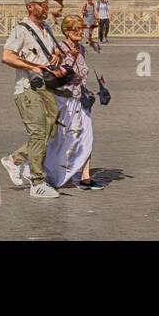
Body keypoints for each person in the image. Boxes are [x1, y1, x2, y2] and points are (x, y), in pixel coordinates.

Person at [0, 0, 67, 198]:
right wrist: (32, 66)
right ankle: (37, 181)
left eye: (47, 5)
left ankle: (14, 160)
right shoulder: (21, 29)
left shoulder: (46, 27)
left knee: (51, 129)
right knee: (38, 133)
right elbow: (7, 56)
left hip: (46, 88)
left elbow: (54, 50)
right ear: (30, 7)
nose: (46, 8)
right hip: (27, 89)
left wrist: (56, 55)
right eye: (42, 5)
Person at [43, 14, 105, 189]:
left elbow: (84, 70)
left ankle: (86, 177)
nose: (79, 32)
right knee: (62, 139)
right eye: (75, 29)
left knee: (87, 136)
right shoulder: (59, 48)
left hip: (82, 99)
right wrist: (67, 58)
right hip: (65, 100)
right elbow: (56, 72)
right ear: (67, 31)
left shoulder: (82, 49)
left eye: (80, 28)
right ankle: (46, 172)